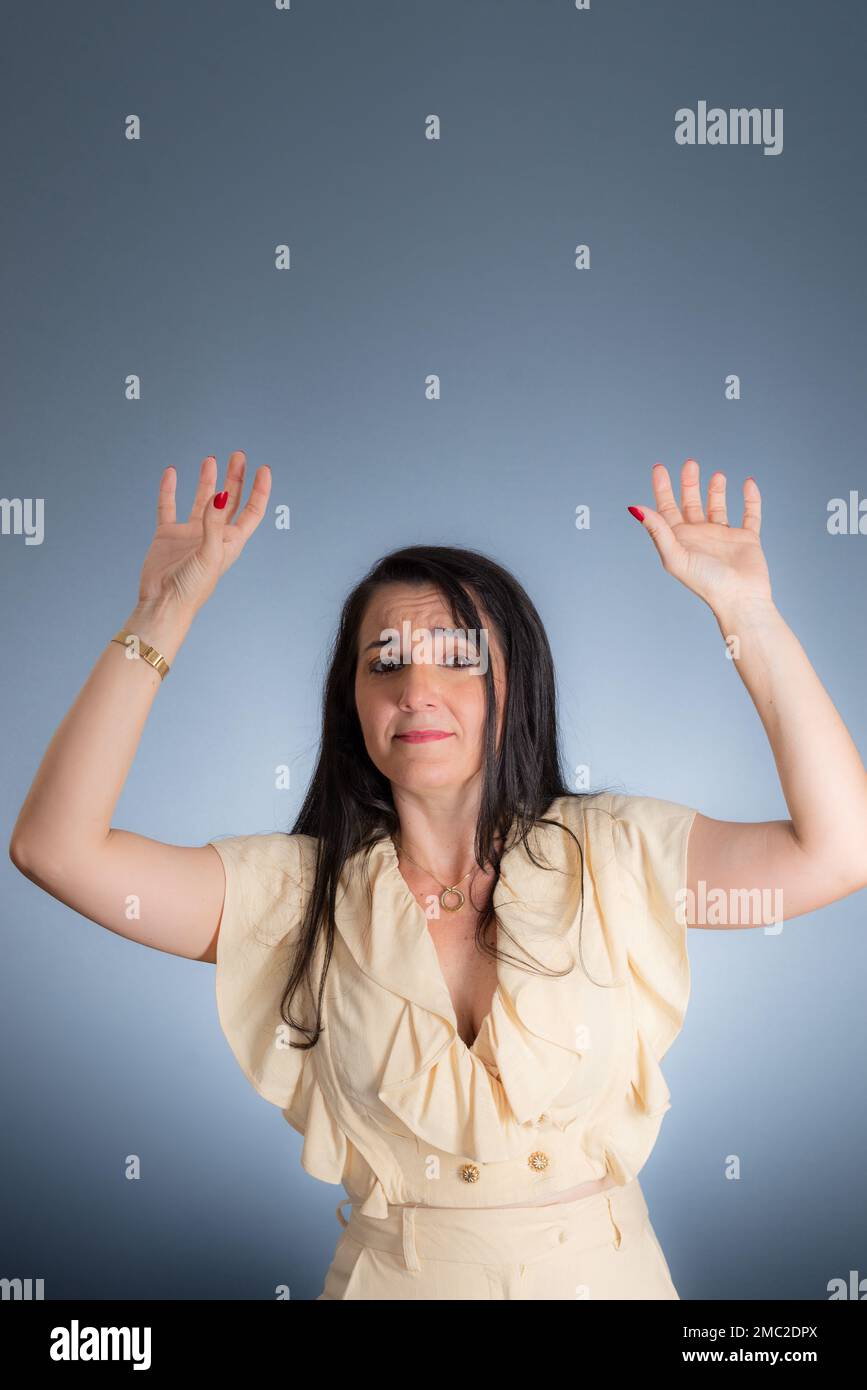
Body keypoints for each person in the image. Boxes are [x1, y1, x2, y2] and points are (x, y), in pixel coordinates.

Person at [10, 451, 867, 1300]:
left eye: (456, 656)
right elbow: (56, 849)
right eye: (384, 662)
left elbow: (841, 850)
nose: (416, 688)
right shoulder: (293, 894)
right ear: (351, 699)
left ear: (514, 681)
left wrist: (747, 616)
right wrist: (162, 612)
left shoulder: (614, 852)